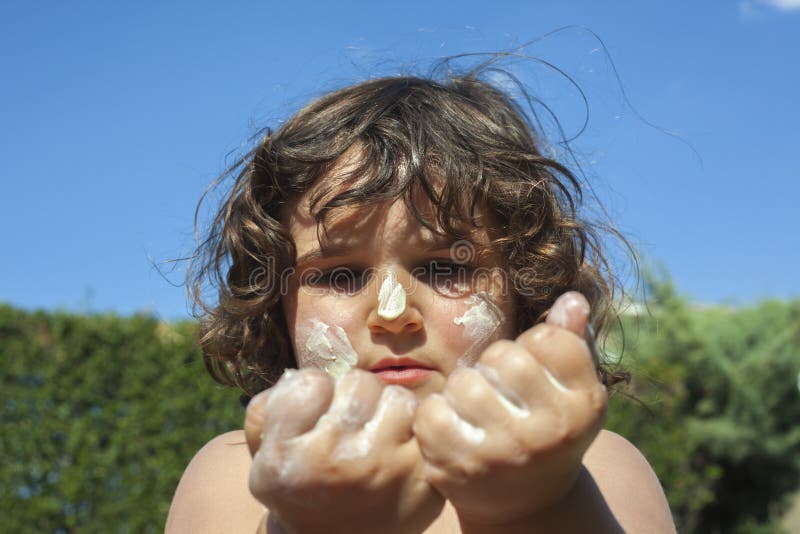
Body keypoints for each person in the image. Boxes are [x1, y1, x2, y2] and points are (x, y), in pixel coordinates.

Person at [165, 66, 676, 533]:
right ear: (276, 305)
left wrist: (537, 506)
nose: (392, 314)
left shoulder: (588, 466)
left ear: (524, 291)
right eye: (340, 276)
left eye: (445, 268)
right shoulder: (237, 475)